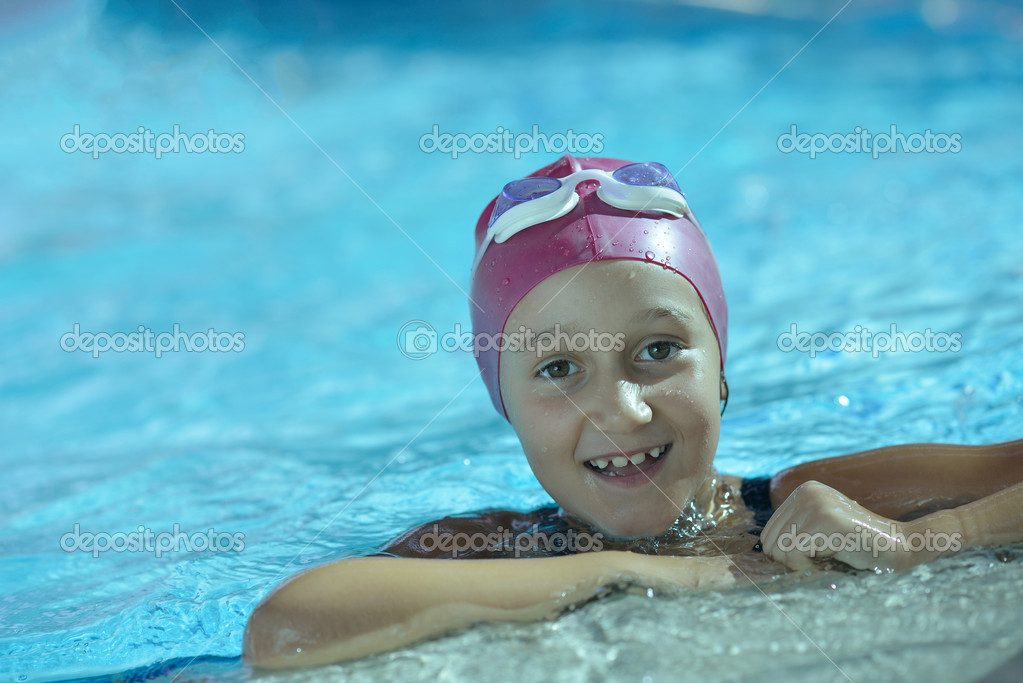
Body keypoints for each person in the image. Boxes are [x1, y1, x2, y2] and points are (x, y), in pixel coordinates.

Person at [243, 155, 1023, 670]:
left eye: (657, 352)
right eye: (557, 369)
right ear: (506, 408)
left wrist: (922, 538)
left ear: (720, 369)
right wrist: (642, 574)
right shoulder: (495, 549)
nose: (620, 409)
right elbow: (287, 625)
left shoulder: (799, 502)